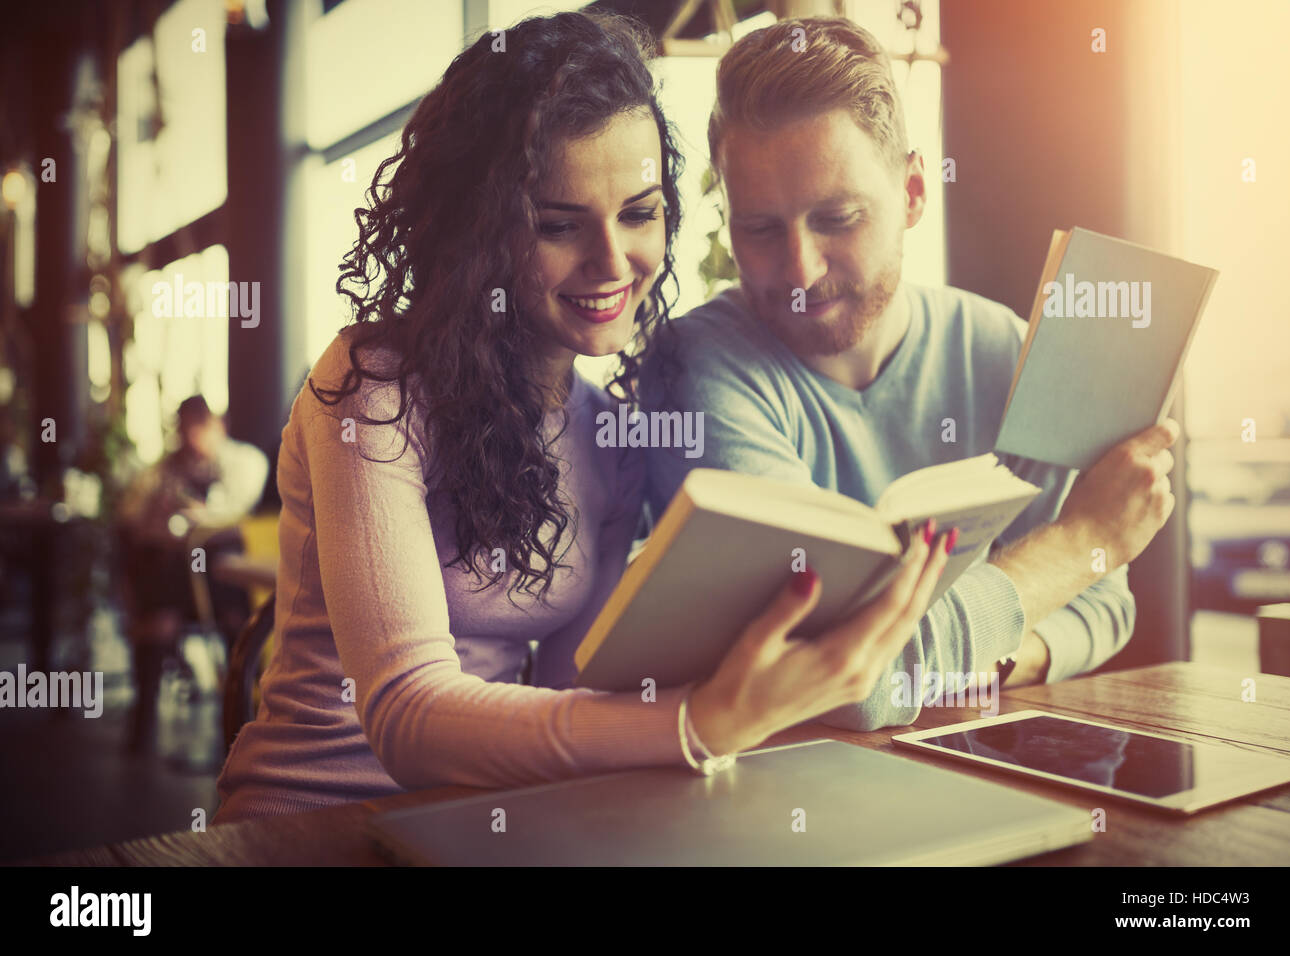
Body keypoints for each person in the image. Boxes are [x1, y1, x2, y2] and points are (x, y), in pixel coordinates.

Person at [214, 11, 953, 821]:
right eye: (558, 225)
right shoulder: (374, 388)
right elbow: (407, 714)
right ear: (480, 233)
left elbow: (576, 690)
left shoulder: (610, 431)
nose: (612, 262)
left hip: (485, 821)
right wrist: (697, 721)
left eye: (639, 213)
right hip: (311, 824)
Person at [641, 16, 1179, 731]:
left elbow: (1105, 603)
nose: (800, 270)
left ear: (915, 191)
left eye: (838, 217)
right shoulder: (695, 369)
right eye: (760, 228)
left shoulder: (1003, 348)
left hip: (1000, 774)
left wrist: (951, 666)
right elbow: (836, 682)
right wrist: (1078, 541)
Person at [118, 395, 269, 751]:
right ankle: (143, 726)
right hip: (175, 570)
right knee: (157, 616)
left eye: (200, 428)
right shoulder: (162, 471)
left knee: (238, 625)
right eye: (186, 429)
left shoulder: (243, 461)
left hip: (224, 571)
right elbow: (131, 516)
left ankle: (237, 731)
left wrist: (198, 515)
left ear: (219, 426)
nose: (193, 439)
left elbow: (234, 510)